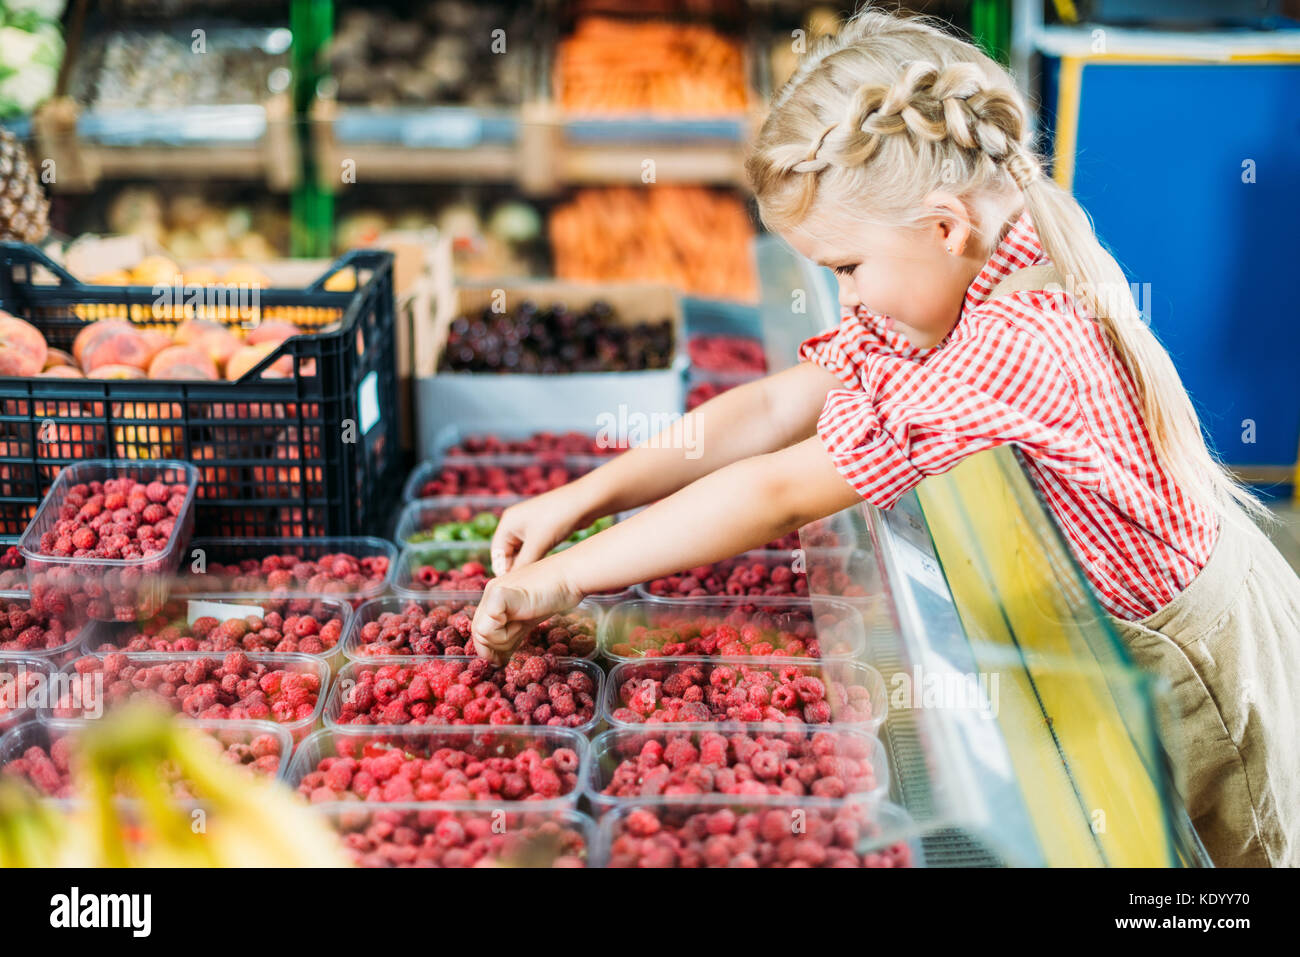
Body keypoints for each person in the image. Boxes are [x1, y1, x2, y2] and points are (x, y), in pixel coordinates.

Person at [469, 9, 1300, 867]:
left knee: (1222, 876)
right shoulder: (960, 259)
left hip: (1195, 673)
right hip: (1113, 635)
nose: (849, 300)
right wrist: (585, 496)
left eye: (845, 268)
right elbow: (773, 409)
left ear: (942, 225)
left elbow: (777, 489)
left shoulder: (1016, 344)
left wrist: (566, 576)